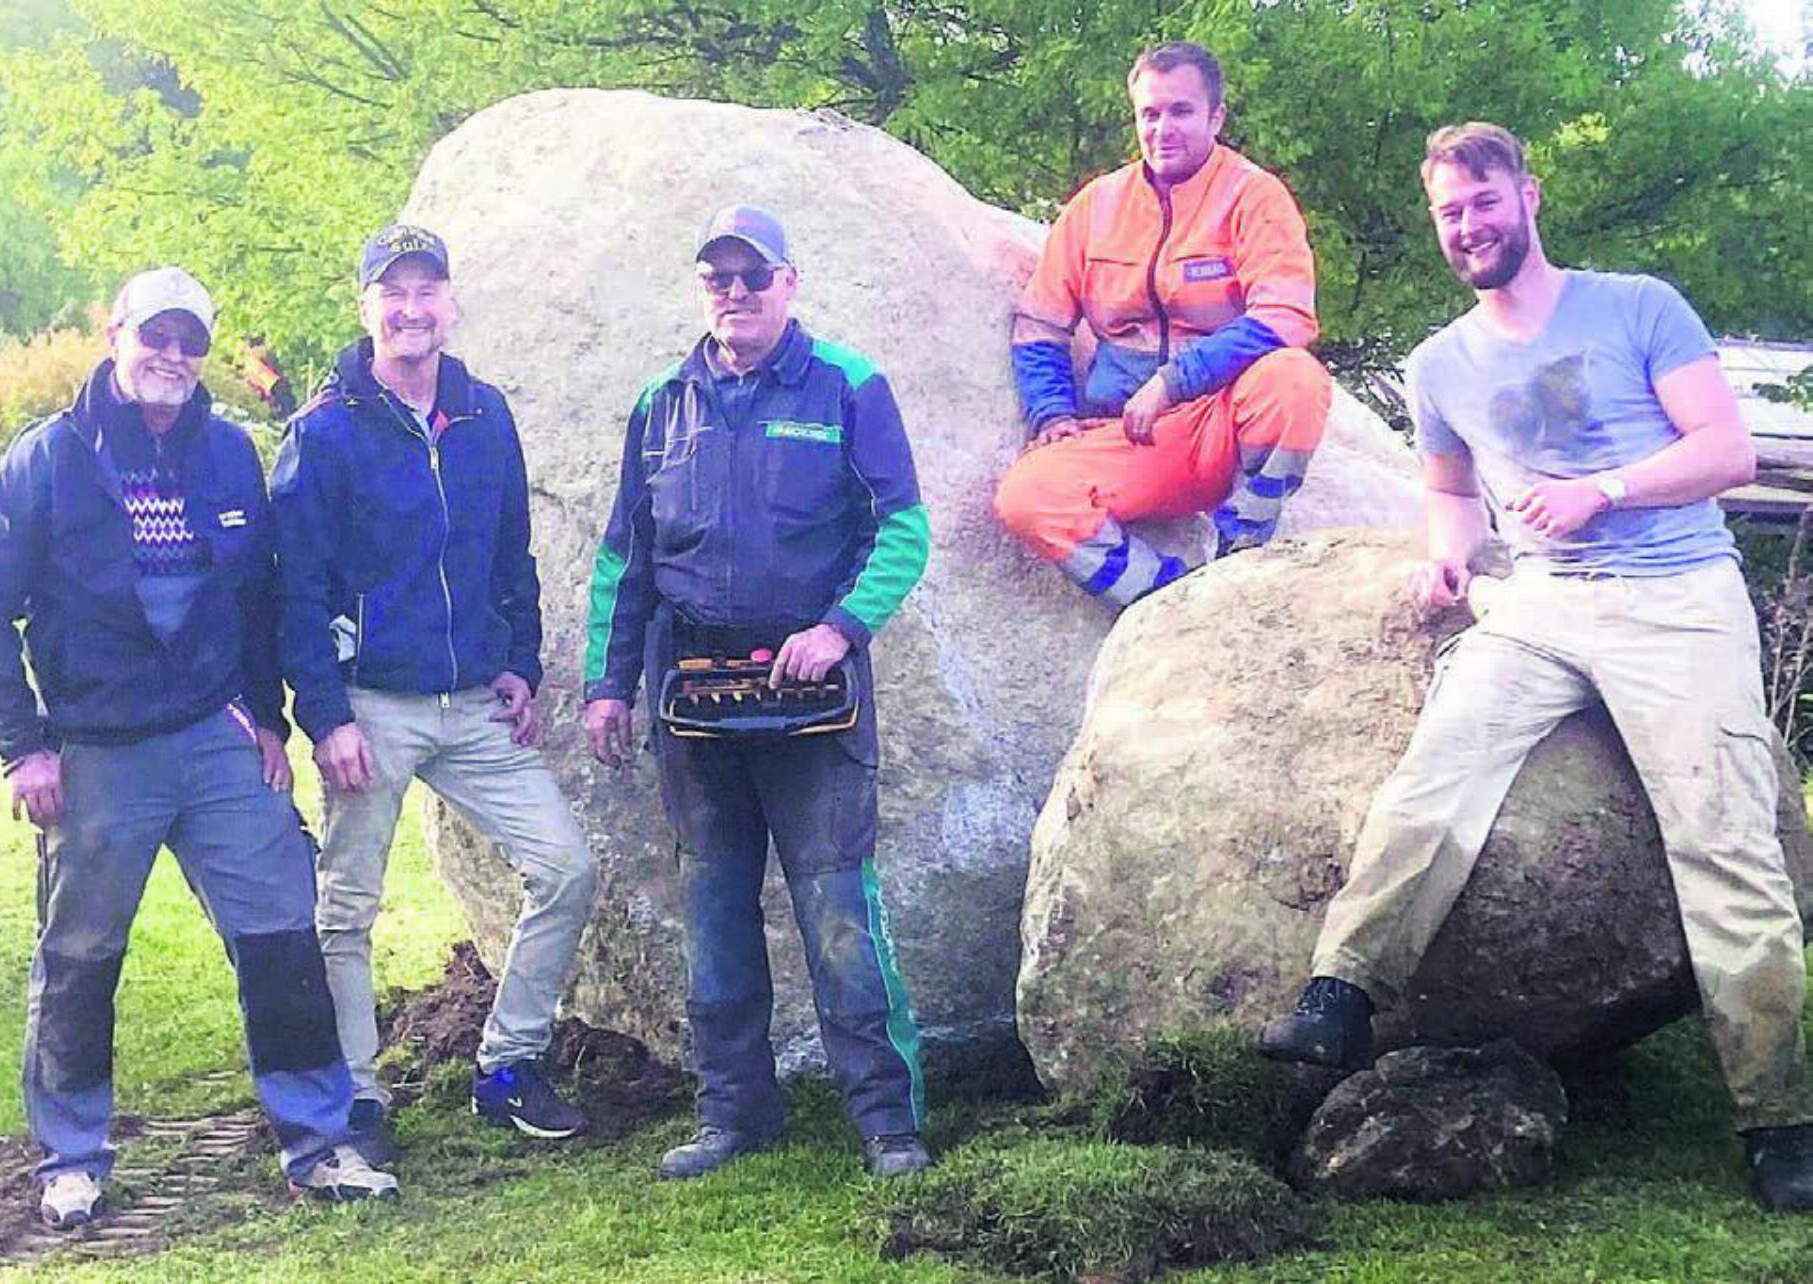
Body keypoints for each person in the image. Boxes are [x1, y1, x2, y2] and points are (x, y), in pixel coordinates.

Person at [1257, 122, 1813, 1211]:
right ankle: (1341, 994)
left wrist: (1603, 490)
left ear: (1528, 196)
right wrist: (1448, 558)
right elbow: (1450, 493)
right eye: (1449, 212)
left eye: (1484, 201)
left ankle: (1780, 1118)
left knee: (1725, 844)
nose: (1468, 225)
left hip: (1678, 599)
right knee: (1433, 779)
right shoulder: (1438, 365)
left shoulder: (1638, 306)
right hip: (1543, 604)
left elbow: (1727, 451)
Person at [0, 266, 397, 1229]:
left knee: (281, 937)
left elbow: (259, 597)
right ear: (113, 333)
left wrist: (266, 719)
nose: (173, 355)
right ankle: (73, 1158)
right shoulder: (46, 460)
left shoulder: (231, 452)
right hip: (95, 751)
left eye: (192, 341)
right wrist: (23, 749)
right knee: (80, 956)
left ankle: (318, 1142)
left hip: (215, 741)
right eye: (156, 335)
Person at [582, 206, 933, 1180]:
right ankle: (733, 1115)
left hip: (814, 699)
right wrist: (608, 687)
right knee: (714, 913)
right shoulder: (662, 401)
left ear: (789, 283)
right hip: (694, 701)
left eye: (753, 275)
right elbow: (624, 558)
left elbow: (903, 529)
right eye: (717, 277)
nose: (735, 292)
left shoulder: (849, 386)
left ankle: (888, 1123)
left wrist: (839, 629)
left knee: (838, 911)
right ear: (702, 288)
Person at [271, 225, 596, 1164]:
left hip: (474, 705)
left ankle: (508, 1066)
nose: (411, 310)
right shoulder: (324, 431)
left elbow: (511, 555)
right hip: (371, 707)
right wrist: (325, 717)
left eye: (427, 290)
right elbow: (295, 591)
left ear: (451, 303)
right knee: (347, 908)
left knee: (566, 869)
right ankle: (356, 1094)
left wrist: (521, 660)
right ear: (365, 306)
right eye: (393, 292)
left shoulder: (486, 415)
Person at [993, 40, 1332, 607]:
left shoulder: (1254, 196)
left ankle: (1242, 553)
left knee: (1296, 380)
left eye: (1181, 111)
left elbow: (1285, 316)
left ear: (1215, 117)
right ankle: (1174, 603)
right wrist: (1051, 411)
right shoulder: (1096, 205)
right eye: (1149, 114)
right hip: (1129, 435)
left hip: (1221, 422)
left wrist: (1174, 381)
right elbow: (1041, 324)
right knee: (1028, 497)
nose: (1162, 129)